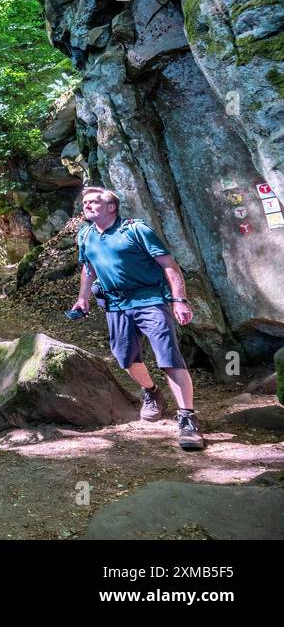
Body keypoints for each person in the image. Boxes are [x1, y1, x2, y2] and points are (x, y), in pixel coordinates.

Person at [71, 187, 205, 450]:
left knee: (168, 358)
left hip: (150, 300)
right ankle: (152, 393)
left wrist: (179, 300)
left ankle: (188, 420)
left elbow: (169, 265)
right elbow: (89, 268)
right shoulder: (85, 235)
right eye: (85, 202)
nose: (87, 206)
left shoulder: (135, 229)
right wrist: (83, 298)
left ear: (112, 207)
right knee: (126, 358)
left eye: (94, 202)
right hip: (115, 304)